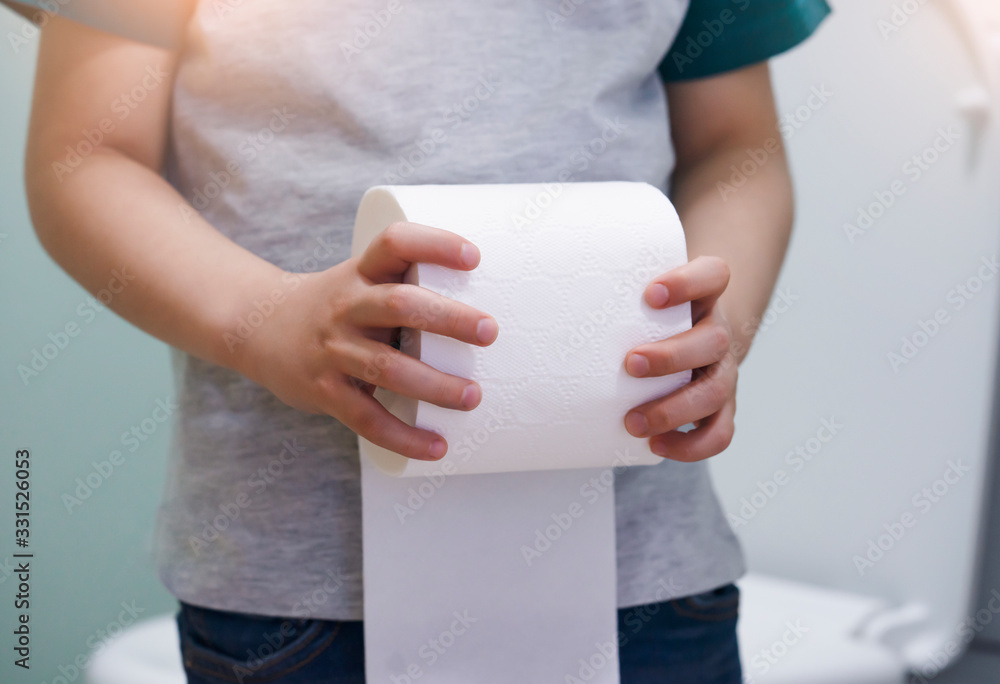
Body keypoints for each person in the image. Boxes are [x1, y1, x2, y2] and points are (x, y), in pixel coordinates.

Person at [19, 0, 829, 681]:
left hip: (645, 574)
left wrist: (720, 328)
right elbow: (87, 156)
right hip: (302, 589)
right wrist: (266, 321)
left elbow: (735, 148)